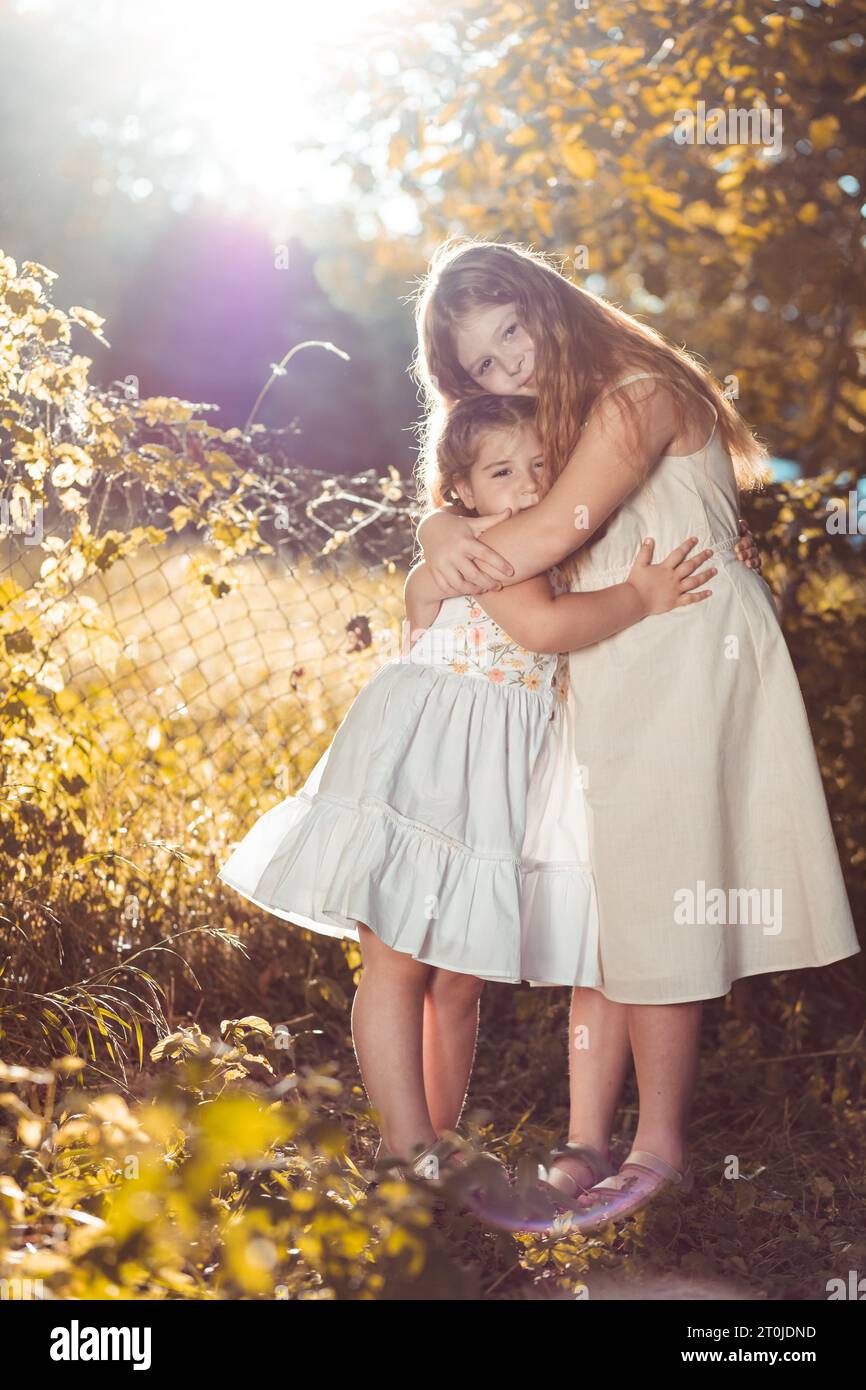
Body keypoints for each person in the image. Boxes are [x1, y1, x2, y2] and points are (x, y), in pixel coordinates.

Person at [409, 237, 860, 1227]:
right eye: (480, 364)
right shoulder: (560, 418)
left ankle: (657, 1147)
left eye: (512, 333)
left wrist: (440, 536)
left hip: (682, 651)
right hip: (608, 655)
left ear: (547, 305)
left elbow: (541, 536)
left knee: (662, 901)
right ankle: (584, 1141)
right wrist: (450, 523)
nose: (507, 368)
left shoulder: (633, 393)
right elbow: (525, 527)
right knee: (604, 917)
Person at [217, 391, 716, 1190]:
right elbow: (546, 631)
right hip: (428, 770)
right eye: (501, 471)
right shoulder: (489, 552)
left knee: (456, 977)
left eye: (541, 468)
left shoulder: (538, 547)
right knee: (399, 962)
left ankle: (435, 1140)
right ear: (463, 489)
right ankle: (401, 1144)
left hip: (488, 777)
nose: (525, 487)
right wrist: (639, 598)